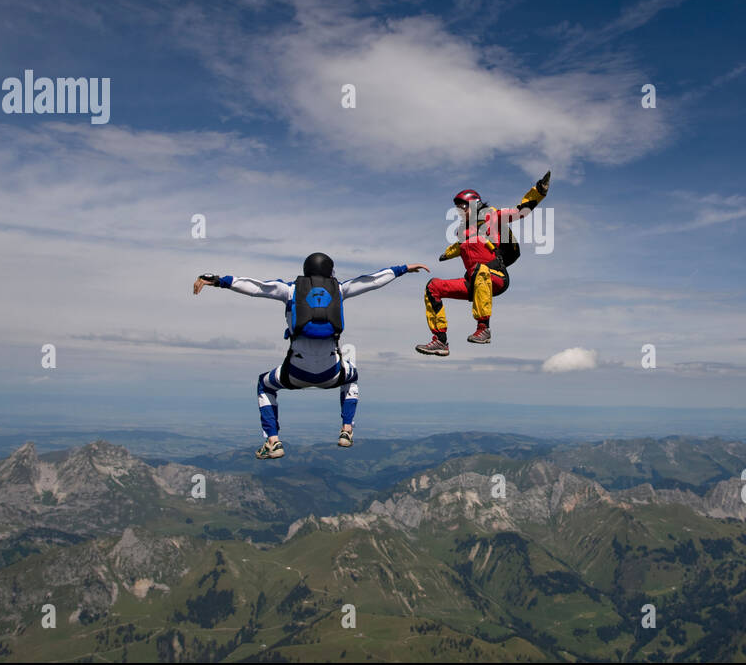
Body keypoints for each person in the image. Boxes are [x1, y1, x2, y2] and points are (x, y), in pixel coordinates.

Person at [194, 253, 429, 458]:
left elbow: (254, 287)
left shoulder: (289, 290)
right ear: (330, 271)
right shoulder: (339, 289)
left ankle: (272, 441)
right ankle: (347, 428)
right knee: (352, 376)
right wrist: (403, 269)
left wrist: (216, 280)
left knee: (264, 385)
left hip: (295, 373)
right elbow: (371, 281)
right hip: (331, 373)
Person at [415, 171, 550, 356]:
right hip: (473, 282)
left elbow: (521, 211)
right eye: (458, 208)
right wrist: (446, 254)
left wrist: (539, 191)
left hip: (496, 276)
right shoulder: (462, 232)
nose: (459, 211)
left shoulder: (492, 216)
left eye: (462, 206)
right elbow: (460, 246)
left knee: (479, 270)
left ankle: (484, 328)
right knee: (433, 287)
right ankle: (440, 341)